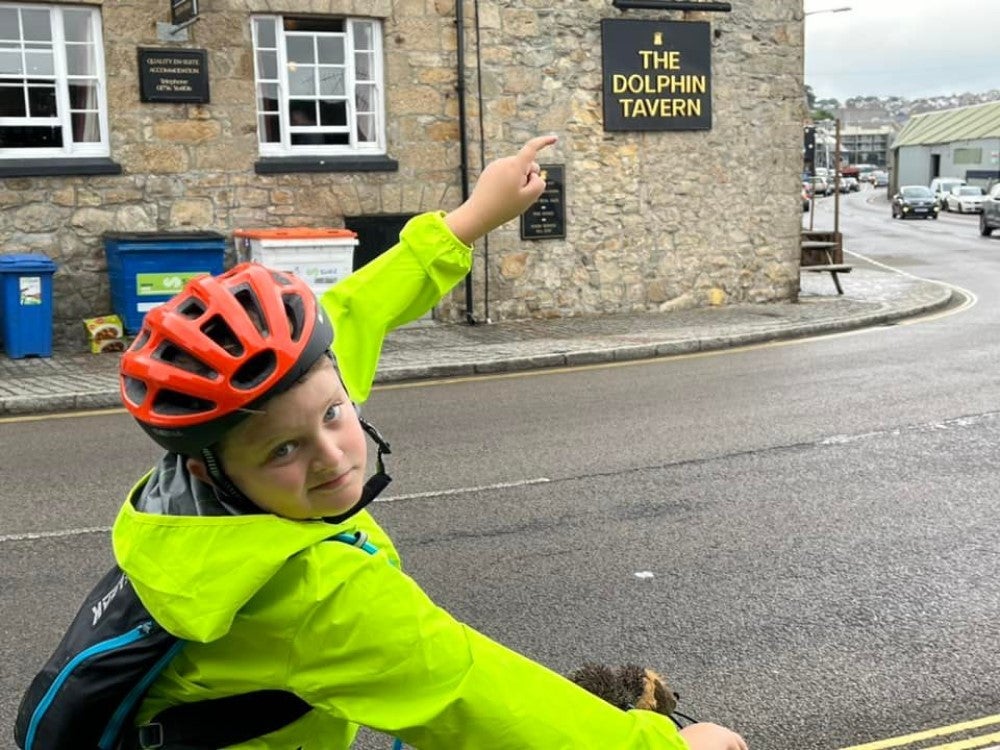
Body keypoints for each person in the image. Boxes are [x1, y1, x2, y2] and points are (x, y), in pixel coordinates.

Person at [113, 135, 748, 750]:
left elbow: (357, 307)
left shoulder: (222, 474)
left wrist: (473, 217)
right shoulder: (313, 599)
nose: (333, 454)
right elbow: (474, 698)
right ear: (207, 470)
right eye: (283, 451)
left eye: (335, 414)